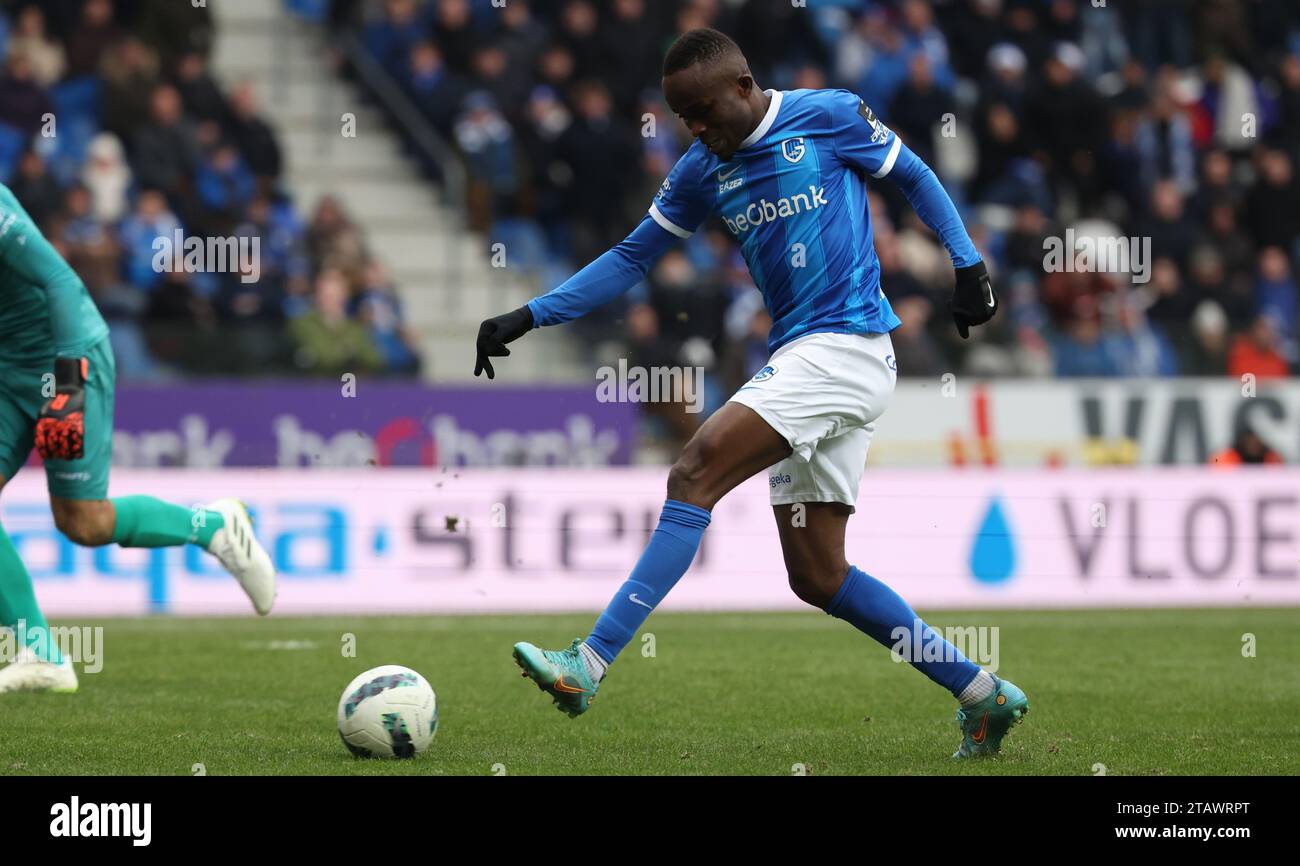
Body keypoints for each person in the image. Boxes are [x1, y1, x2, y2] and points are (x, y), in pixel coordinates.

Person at [474, 29, 1024, 758]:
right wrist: (529, 314)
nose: (695, 130)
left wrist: (969, 266)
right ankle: (982, 694)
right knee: (818, 574)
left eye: (702, 111)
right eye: (682, 119)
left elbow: (914, 173)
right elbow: (635, 254)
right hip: (808, 355)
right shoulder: (703, 167)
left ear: (742, 86)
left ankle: (590, 661)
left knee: (694, 471)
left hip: (847, 345)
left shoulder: (827, 115)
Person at [0, 183, 276, 694]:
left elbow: (59, 279)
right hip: (4, 368)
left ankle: (215, 525)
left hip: (65, 360)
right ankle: (42, 656)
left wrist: (67, 385)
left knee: (85, 522)